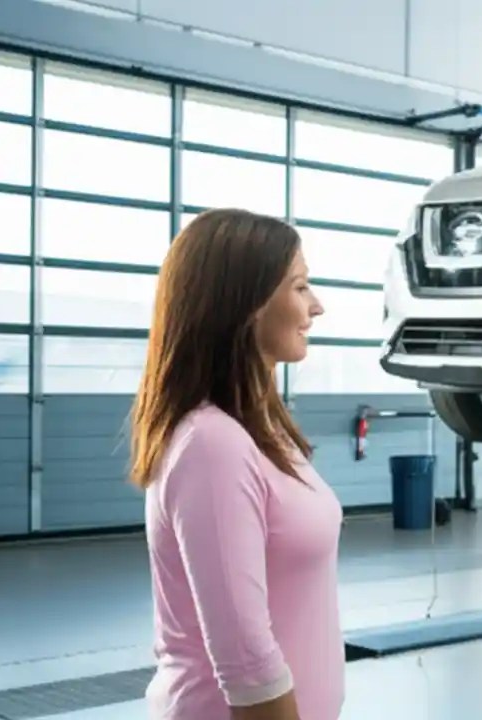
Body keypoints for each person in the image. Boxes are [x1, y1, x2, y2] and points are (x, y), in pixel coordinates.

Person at [128, 208, 344, 720]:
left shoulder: (259, 431)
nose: (317, 306)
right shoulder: (211, 443)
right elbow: (248, 665)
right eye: (300, 287)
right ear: (246, 304)